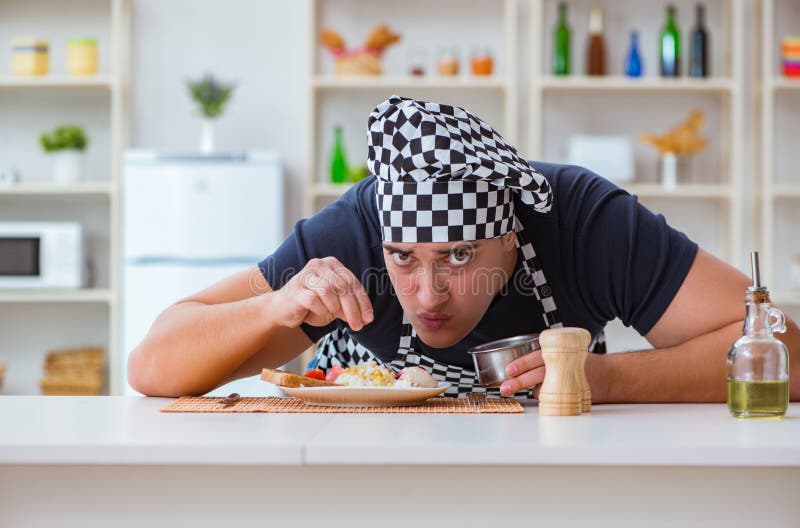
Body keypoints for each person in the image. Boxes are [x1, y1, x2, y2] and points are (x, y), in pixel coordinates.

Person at [128, 95, 800, 401]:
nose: (426, 295)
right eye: (402, 259)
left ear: (512, 235)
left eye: (458, 256)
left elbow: (787, 354)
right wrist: (273, 308)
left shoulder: (584, 220)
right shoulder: (352, 233)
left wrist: (606, 378)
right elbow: (151, 367)